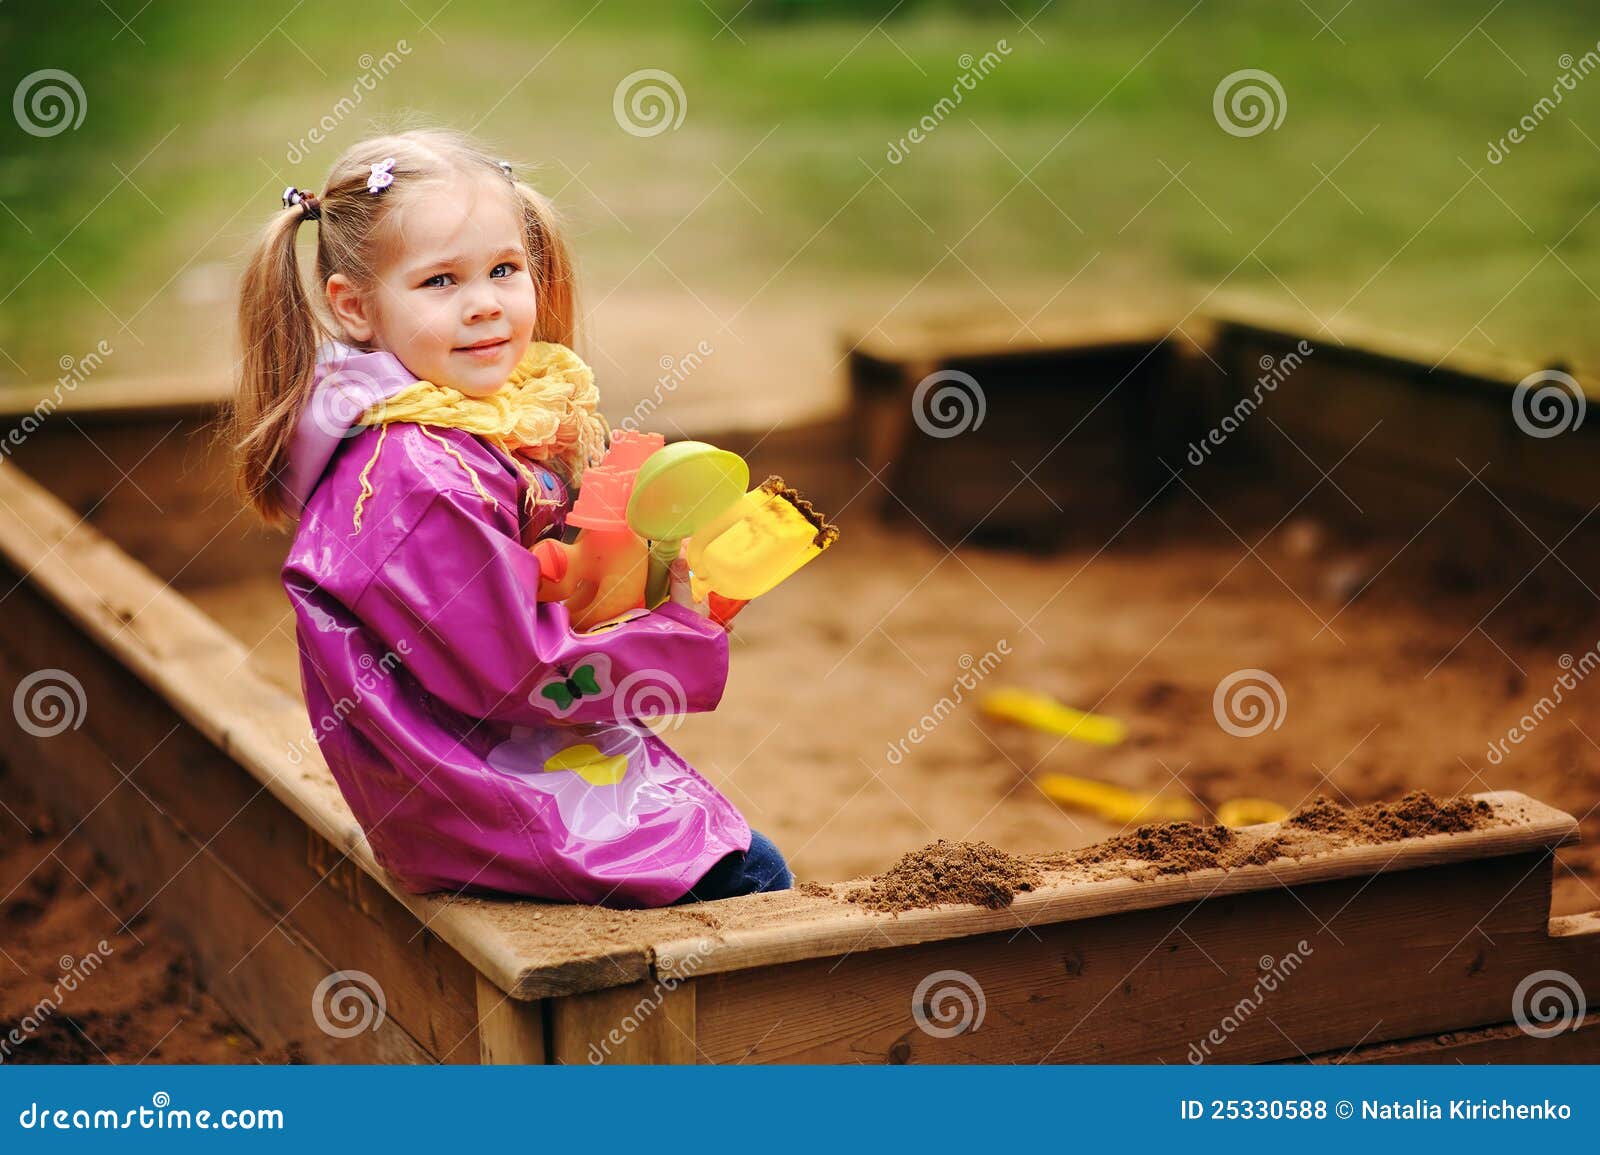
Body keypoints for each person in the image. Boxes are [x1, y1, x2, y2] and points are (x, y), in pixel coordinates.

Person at [227, 127, 791, 908]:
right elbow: (519, 667)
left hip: (461, 764)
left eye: (502, 269)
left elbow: (499, 591)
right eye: (440, 282)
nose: (485, 302)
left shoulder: (449, 427)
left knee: (719, 840)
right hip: (475, 792)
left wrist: (619, 569)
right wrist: (682, 632)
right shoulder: (417, 473)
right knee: (753, 878)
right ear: (355, 308)